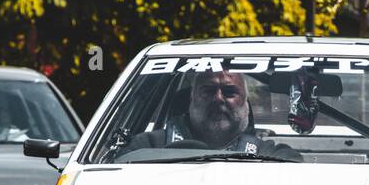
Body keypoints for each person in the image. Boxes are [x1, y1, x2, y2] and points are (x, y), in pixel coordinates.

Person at [118, 70, 301, 159]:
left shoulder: (269, 155)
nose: (218, 99)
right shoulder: (145, 148)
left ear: (246, 104)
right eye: (209, 91)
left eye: (229, 92)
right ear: (191, 98)